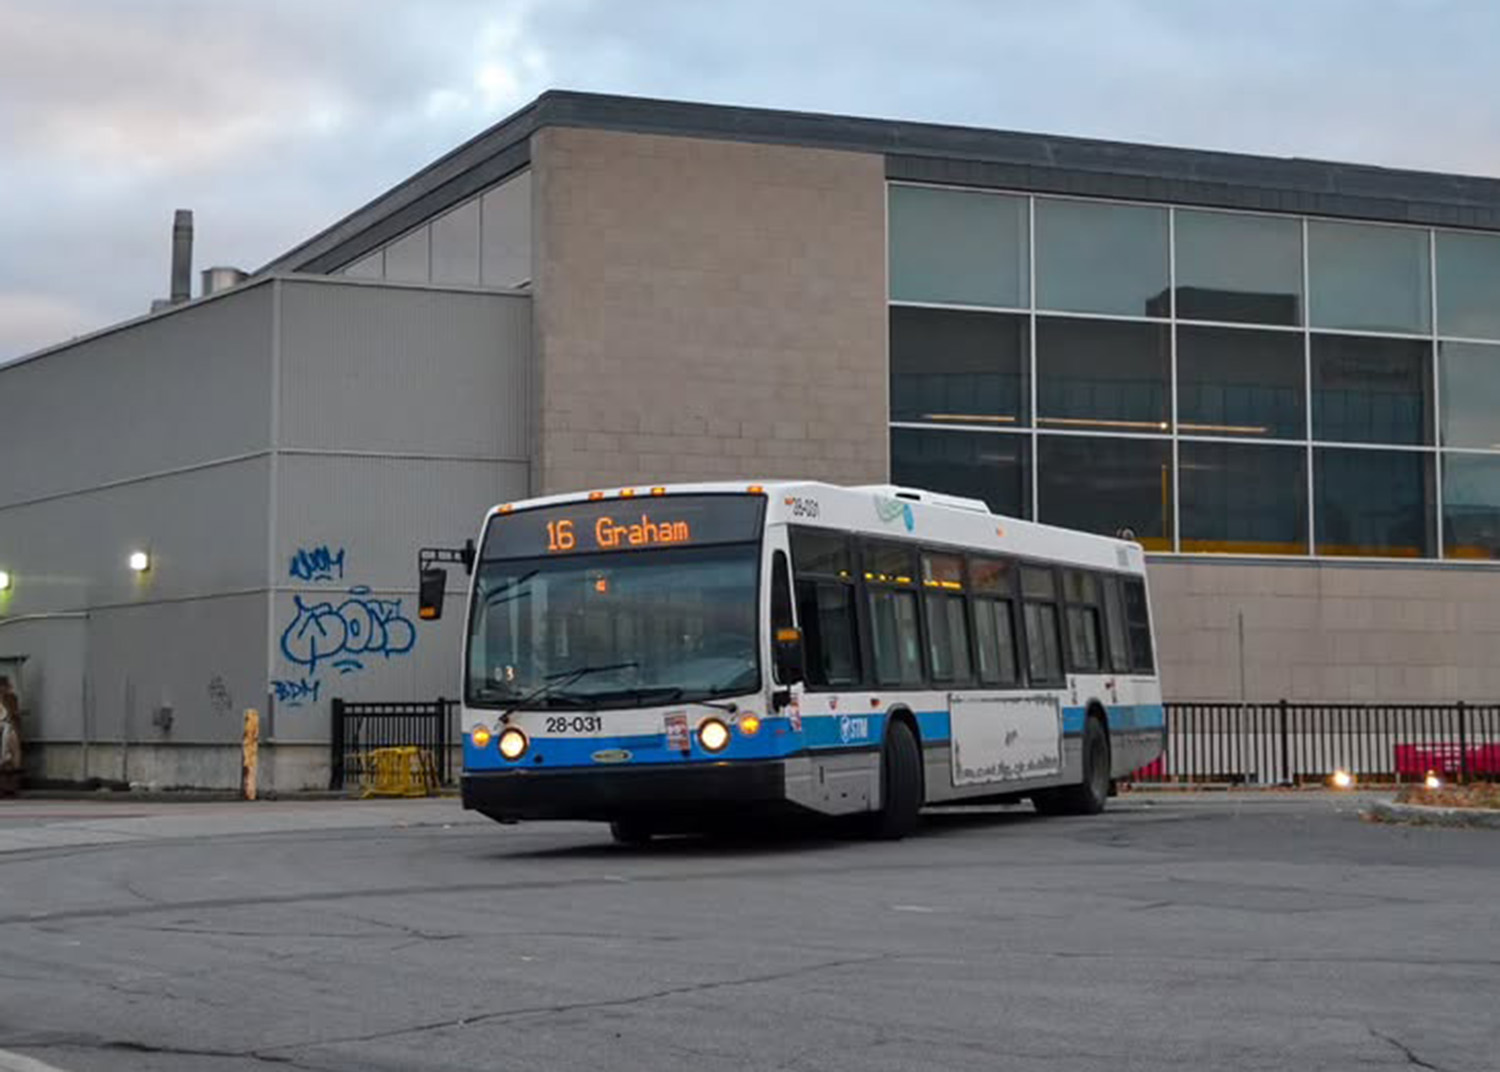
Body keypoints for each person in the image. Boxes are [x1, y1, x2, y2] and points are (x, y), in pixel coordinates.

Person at [0, 675, 21, 798]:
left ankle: (12, 785)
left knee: (12, 739)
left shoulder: (11, 698)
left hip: (8, 727)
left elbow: (14, 715)